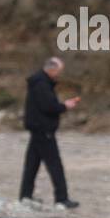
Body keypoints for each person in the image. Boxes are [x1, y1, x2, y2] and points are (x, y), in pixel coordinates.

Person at [20, 56, 81, 209]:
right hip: (43, 129)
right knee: (55, 165)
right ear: (52, 69)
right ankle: (61, 198)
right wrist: (65, 106)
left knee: (32, 165)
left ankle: (25, 196)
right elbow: (49, 106)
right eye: (59, 71)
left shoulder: (39, 82)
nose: (59, 74)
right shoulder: (41, 83)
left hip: (37, 128)